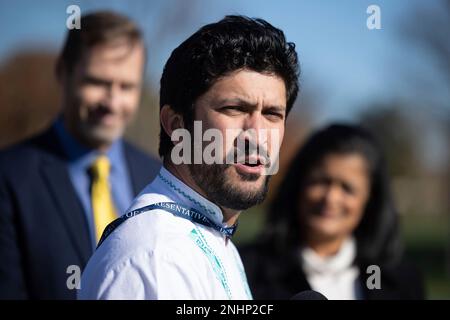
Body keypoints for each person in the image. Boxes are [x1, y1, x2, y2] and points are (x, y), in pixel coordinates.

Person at [78, 15, 300, 300]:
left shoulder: (216, 237)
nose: (257, 134)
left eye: (272, 114)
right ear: (175, 124)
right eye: (233, 108)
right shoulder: (155, 256)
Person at [0, 11, 160, 299]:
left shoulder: (156, 178)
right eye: (97, 83)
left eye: (126, 87)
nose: (111, 102)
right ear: (63, 72)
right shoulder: (10, 178)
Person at [240, 124, 425, 300]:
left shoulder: (395, 279)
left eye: (347, 188)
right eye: (321, 181)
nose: (331, 198)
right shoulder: (246, 269)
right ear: (298, 184)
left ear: (370, 199)